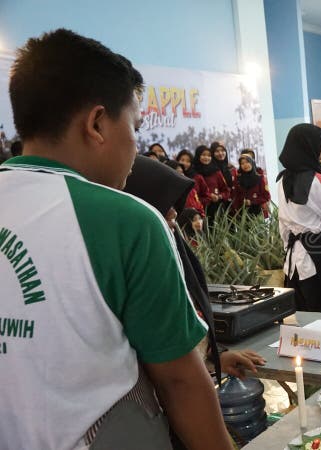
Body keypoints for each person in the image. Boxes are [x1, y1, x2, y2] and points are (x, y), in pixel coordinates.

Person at [0, 28, 232, 449]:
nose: (136, 146)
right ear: (97, 124)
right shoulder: (127, 221)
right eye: (134, 126)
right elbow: (180, 382)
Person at [124, 155, 265, 383]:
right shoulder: (137, 266)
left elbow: (190, 317)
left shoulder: (173, 246)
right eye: (164, 204)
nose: (173, 213)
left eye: (175, 204)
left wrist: (216, 355)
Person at [277, 124, 321, 313]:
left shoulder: (281, 180)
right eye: (319, 144)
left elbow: (282, 224)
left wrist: (287, 248)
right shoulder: (318, 182)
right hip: (319, 255)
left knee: (303, 316)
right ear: (307, 147)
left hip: (293, 260)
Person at [193, 144, 230, 222]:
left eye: (209, 155)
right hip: (201, 213)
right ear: (198, 156)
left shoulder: (216, 172)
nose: (206, 158)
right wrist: (209, 197)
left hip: (218, 211)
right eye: (203, 155)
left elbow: (226, 191)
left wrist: (219, 196)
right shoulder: (194, 173)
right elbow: (193, 195)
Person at [240, 148, 271, 218]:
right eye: (243, 162)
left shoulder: (259, 174)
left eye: (250, 159)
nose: (245, 164)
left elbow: (266, 196)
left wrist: (252, 201)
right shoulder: (239, 177)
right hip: (244, 214)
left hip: (258, 212)